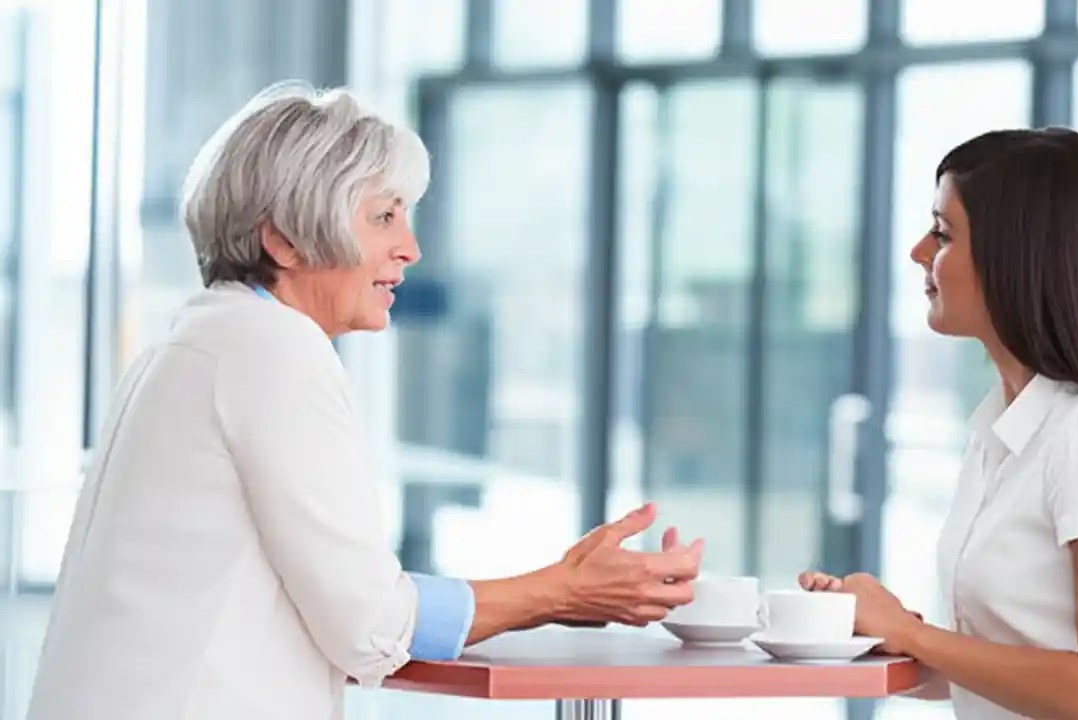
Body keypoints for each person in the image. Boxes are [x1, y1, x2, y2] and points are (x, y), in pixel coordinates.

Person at [26, 82, 703, 720]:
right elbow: (375, 626)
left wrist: (561, 588)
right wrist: (564, 588)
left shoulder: (198, 340)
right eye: (383, 216)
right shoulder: (273, 350)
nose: (408, 248)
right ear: (284, 238)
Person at [801, 128, 1078, 719]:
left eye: (943, 233)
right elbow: (1008, 669)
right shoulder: (1002, 436)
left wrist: (913, 634)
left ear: (1015, 256)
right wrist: (873, 634)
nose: (920, 251)